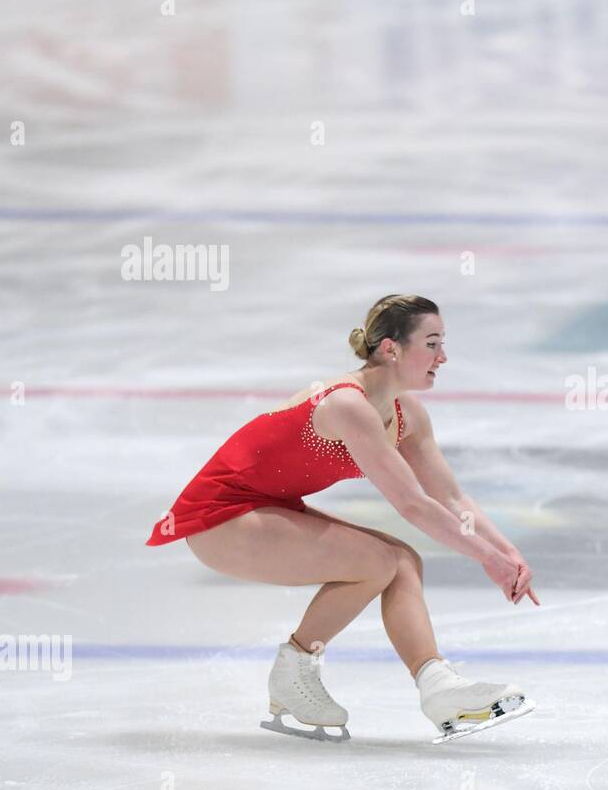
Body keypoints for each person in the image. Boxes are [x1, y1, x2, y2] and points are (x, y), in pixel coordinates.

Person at [146, 294, 539, 743]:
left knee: (403, 560)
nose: (443, 357)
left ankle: (438, 687)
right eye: (431, 344)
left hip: (268, 508)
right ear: (391, 349)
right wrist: (486, 559)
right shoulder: (346, 405)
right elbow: (410, 503)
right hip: (220, 518)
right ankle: (293, 673)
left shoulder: (406, 414)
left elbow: (449, 495)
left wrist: (507, 552)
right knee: (376, 561)